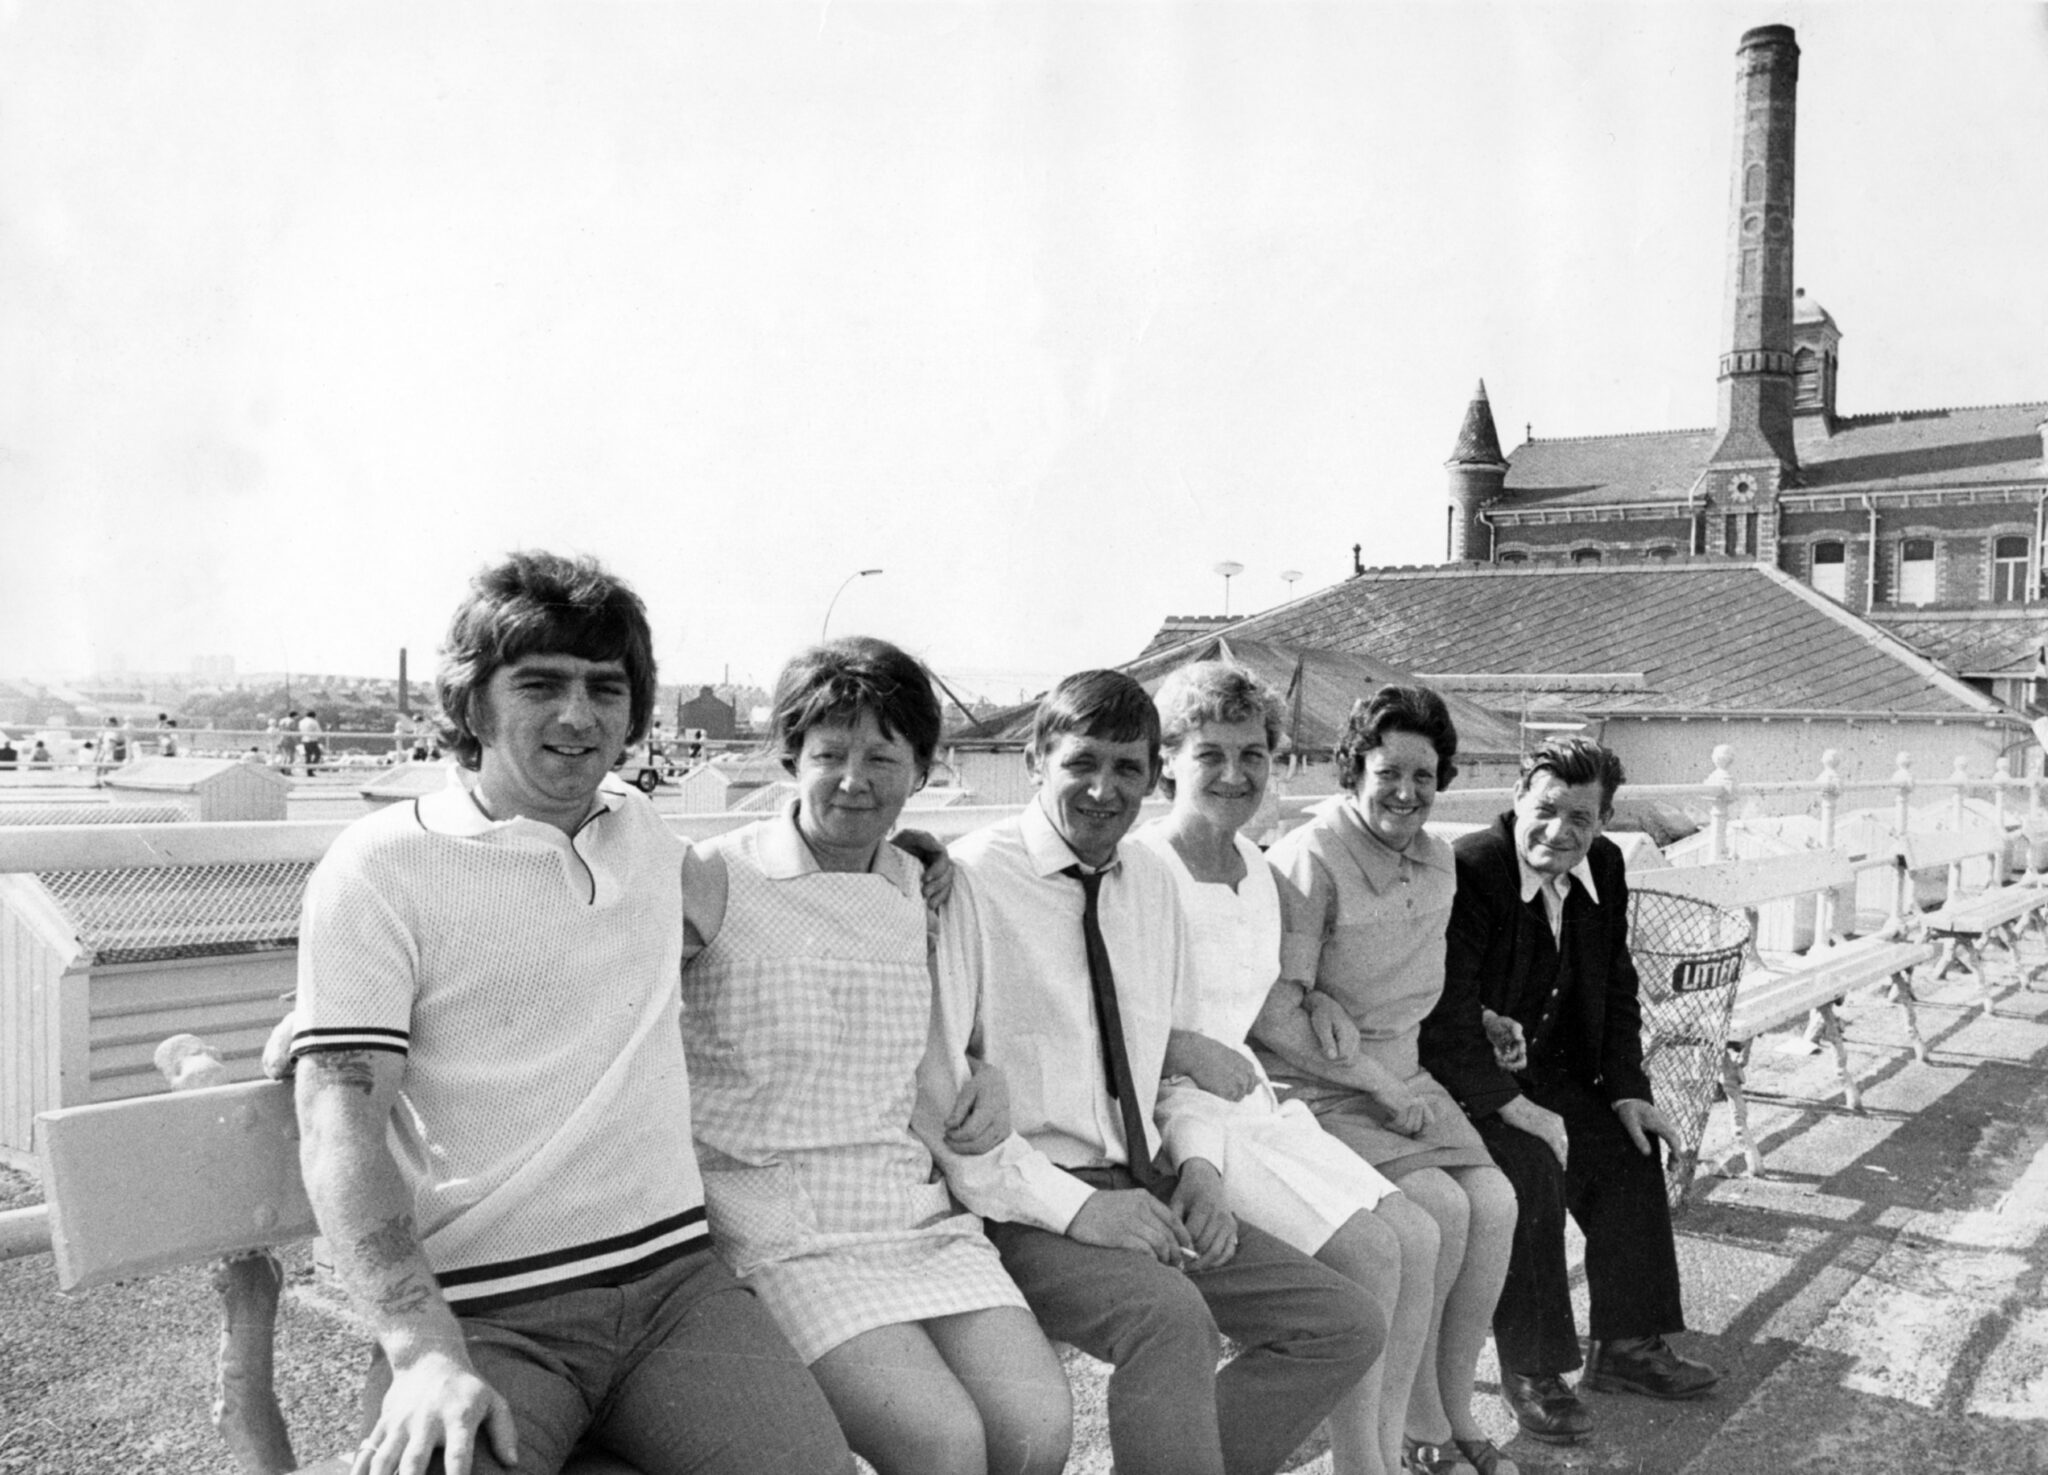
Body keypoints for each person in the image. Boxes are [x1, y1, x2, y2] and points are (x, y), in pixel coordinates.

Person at [285, 551, 856, 1475]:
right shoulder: (380, 865)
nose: (579, 715)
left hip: (675, 1291)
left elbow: (758, 877)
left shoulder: (641, 831)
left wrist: (907, 855)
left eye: (606, 687)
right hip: (484, 1311)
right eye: (540, 684)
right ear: (473, 704)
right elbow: (338, 1123)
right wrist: (420, 1348)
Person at [928, 668, 1384, 1475]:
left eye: (1126, 768)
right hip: (1021, 1202)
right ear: (1035, 759)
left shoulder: (1149, 885)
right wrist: (1082, 1210)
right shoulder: (971, 880)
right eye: (1082, 762)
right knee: (1172, 1318)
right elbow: (948, 1109)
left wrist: (1201, 1171)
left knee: (1340, 1323)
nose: (1104, 789)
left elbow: (1178, 1065)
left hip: (1146, 1180)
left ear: (1151, 774)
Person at [682, 637, 1070, 1475]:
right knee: (943, 1443)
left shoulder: (919, 885)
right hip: (774, 1220)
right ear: (791, 758)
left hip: (907, 1207)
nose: (854, 780)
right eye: (830, 754)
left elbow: (959, 1030)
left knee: (1037, 1429)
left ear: (921, 771)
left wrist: (987, 1071)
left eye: (883, 758)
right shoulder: (715, 879)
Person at [1129, 662, 1441, 1475]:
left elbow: (1267, 995)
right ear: (1169, 760)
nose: (1235, 774)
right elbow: (1115, 1020)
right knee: (1369, 1253)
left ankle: (1380, 1453)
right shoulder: (1141, 868)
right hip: (1173, 1116)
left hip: (1251, 1104)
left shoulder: (1255, 866)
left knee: (1414, 1233)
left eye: (1253, 754)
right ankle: (1358, 1466)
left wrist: (1320, 998)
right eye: (1210, 753)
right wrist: (1181, 1051)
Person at [1420, 737, 1718, 1446]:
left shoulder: (1604, 866)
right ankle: (1534, 1367)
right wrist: (1514, 1106)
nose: (1559, 831)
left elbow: (1616, 986)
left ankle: (1627, 1345)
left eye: (1581, 818)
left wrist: (1627, 1090)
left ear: (1604, 820)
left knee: (1627, 1146)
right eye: (1546, 809)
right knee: (1529, 1168)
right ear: (1517, 798)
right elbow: (1447, 1015)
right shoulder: (1473, 869)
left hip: (1555, 1073)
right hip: (1470, 1082)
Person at [1257, 686, 1520, 1475]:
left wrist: (1481, 1019)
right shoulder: (1310, 857)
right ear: (1353, 769)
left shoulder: (1439, 860)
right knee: (1436, 1211)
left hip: (1405, 1076)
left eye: (1423, 775)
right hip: (1324, 1084)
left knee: (1495, 1202)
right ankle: (1406, 1436)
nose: (1406, 792)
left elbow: (1414, 981)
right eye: (1388, 773)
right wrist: (1375, 1079)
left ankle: (1450, 1411)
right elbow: (1275, 1014)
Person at [300, 709, 325, 774]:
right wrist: (319, 736)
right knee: (318, 754)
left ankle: (308, 770)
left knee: (308, 755)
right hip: (312, 740)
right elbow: (319, 731)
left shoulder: (301, 721)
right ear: (313, 716)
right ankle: (311, 768)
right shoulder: (313, 722)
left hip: (304, 740)